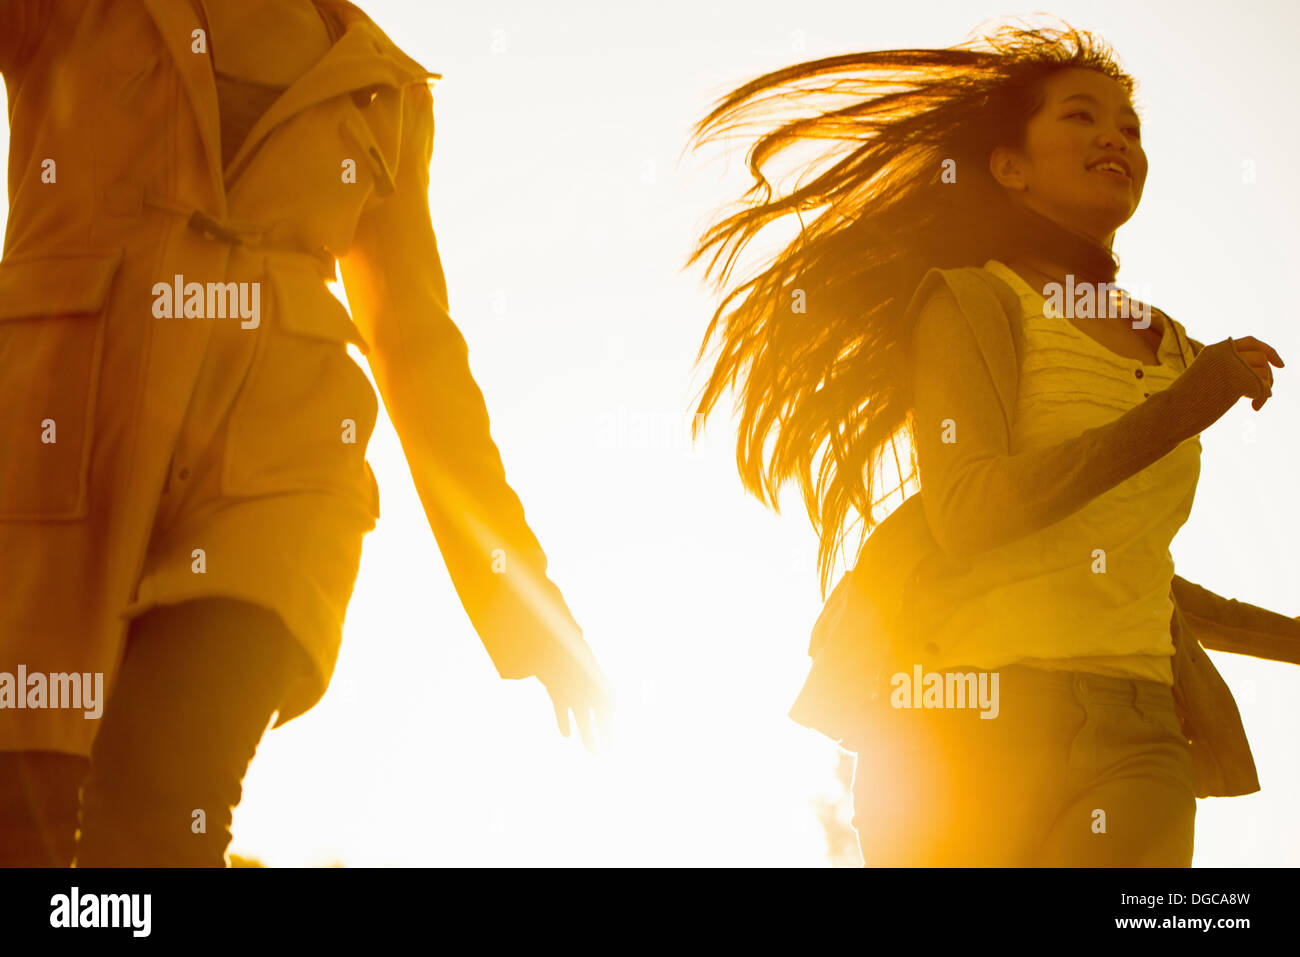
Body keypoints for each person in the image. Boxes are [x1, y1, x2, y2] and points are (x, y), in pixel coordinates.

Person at [0, 0, 611, 867]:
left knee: (164, 801)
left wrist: (528, 603)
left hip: (280, 480)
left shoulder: (384, 86)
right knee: (23, 814)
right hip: (55, 452)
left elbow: (418, 353)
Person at [688, 19, 1295, 865]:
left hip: (1143, 728)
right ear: (1010, 167)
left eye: (1130, 126)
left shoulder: (1180, 349)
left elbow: (1127, 567)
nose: (1116, 136)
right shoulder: (973, 305)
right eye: (1081, 117)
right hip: (967, 727)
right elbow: (970, 509)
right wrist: (1181, 410)